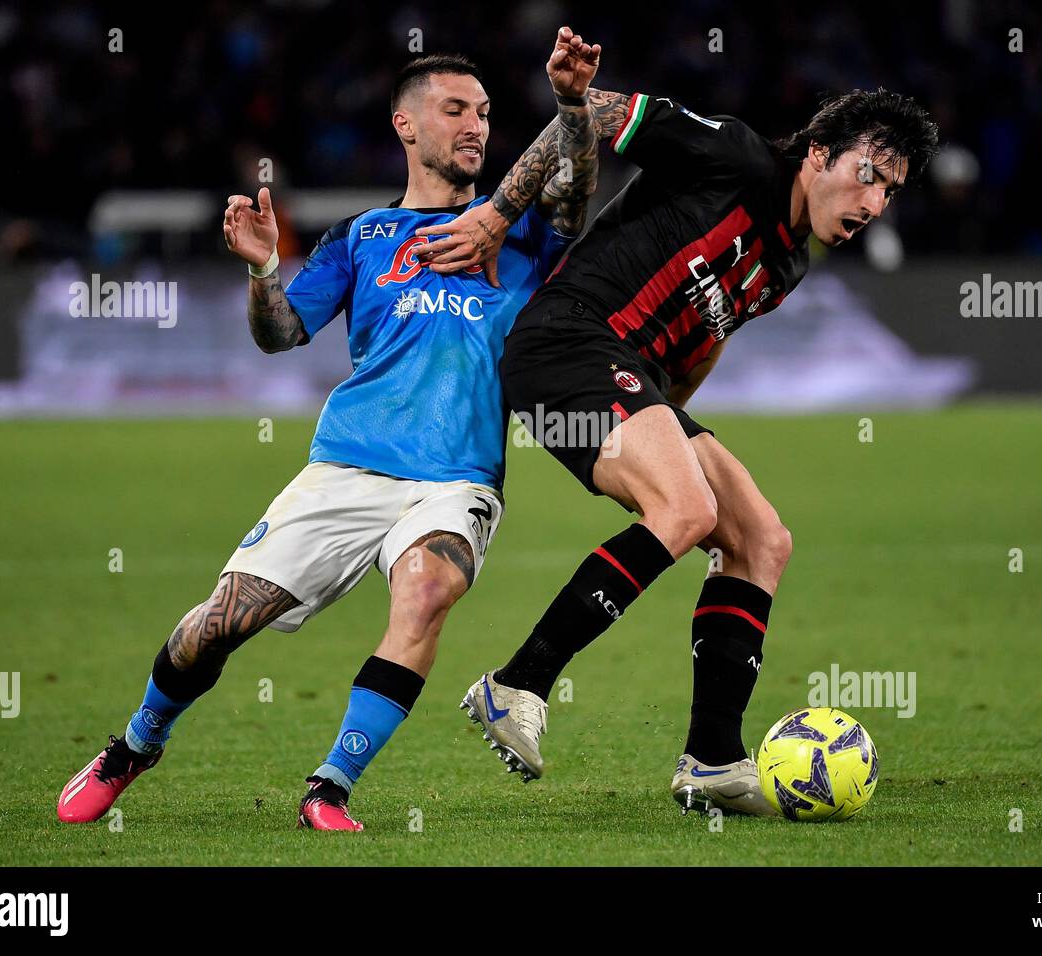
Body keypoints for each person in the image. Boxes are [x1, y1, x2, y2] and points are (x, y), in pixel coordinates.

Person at [57, 28, 602, 831]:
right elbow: (280, 334)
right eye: (455, 110)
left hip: (458, 476)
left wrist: (571, 101)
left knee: (427, 590)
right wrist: (261, 270)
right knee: (218, 625)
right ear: (405, 126)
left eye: (485, 112)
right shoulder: (362, 237)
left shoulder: (517, 233)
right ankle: (136, 743)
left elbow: (574, 189)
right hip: (345, 465)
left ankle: (331, 787)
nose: (477, 126)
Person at [424, 86, 939, 814]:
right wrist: (495, 216)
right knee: (687, 507)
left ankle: (712, 758)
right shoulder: (732, 153)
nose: (876, 203)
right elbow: (596, 112)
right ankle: (519, 683)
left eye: (891, 191)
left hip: (634, 381)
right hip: (567, 341)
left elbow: (707, 340)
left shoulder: (788, 265)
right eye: (869, 175)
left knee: (762, 540)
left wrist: (662, 428)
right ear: (819, 155)